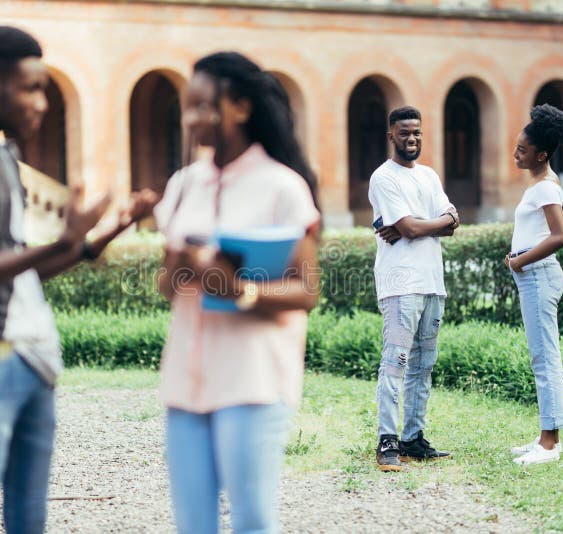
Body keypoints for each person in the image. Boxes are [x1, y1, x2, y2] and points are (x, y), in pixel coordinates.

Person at [0, 26, 157, 532]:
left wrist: (98, 238)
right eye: (31, 89)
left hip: (36, 359)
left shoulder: (6, 159)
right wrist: (63, 240)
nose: (42, 103)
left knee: (29, 520)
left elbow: (21, 271)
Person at [153, 51, 320, 533]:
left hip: (253, 378)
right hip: (185, 379)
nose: (193, 119)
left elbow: (307, 290)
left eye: (205, 106)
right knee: (193, 525)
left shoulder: (282, 187)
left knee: (252, 522)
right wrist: (179, 265)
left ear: (242, 108)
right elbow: (168, 288)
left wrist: (239, 289)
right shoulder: (184, 185)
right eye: (188, 107)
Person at [368, 106, 459, 472]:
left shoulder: (429, 176)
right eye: (404, 132)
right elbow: (410, 228)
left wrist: (418, 226)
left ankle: (413, 438)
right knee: (396, 361)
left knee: (424, 364)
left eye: (417, 132)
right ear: (391, 135)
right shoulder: (383, 177)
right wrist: (426, 225)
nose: (412, 138)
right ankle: (387, 441)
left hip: (432, 282)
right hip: (400, 283)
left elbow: (452, 221)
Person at [505, 103, 563, 465]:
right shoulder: (540, 182)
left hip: (538, 275)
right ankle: (547, 435)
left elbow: (560, 235)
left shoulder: (545, 186)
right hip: (534, 274)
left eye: (522, 150)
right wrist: (518, 256)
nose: (516, 154)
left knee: (545, 358)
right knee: (542, 356)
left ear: (541, 154)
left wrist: (521, 260)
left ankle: (549, 444)